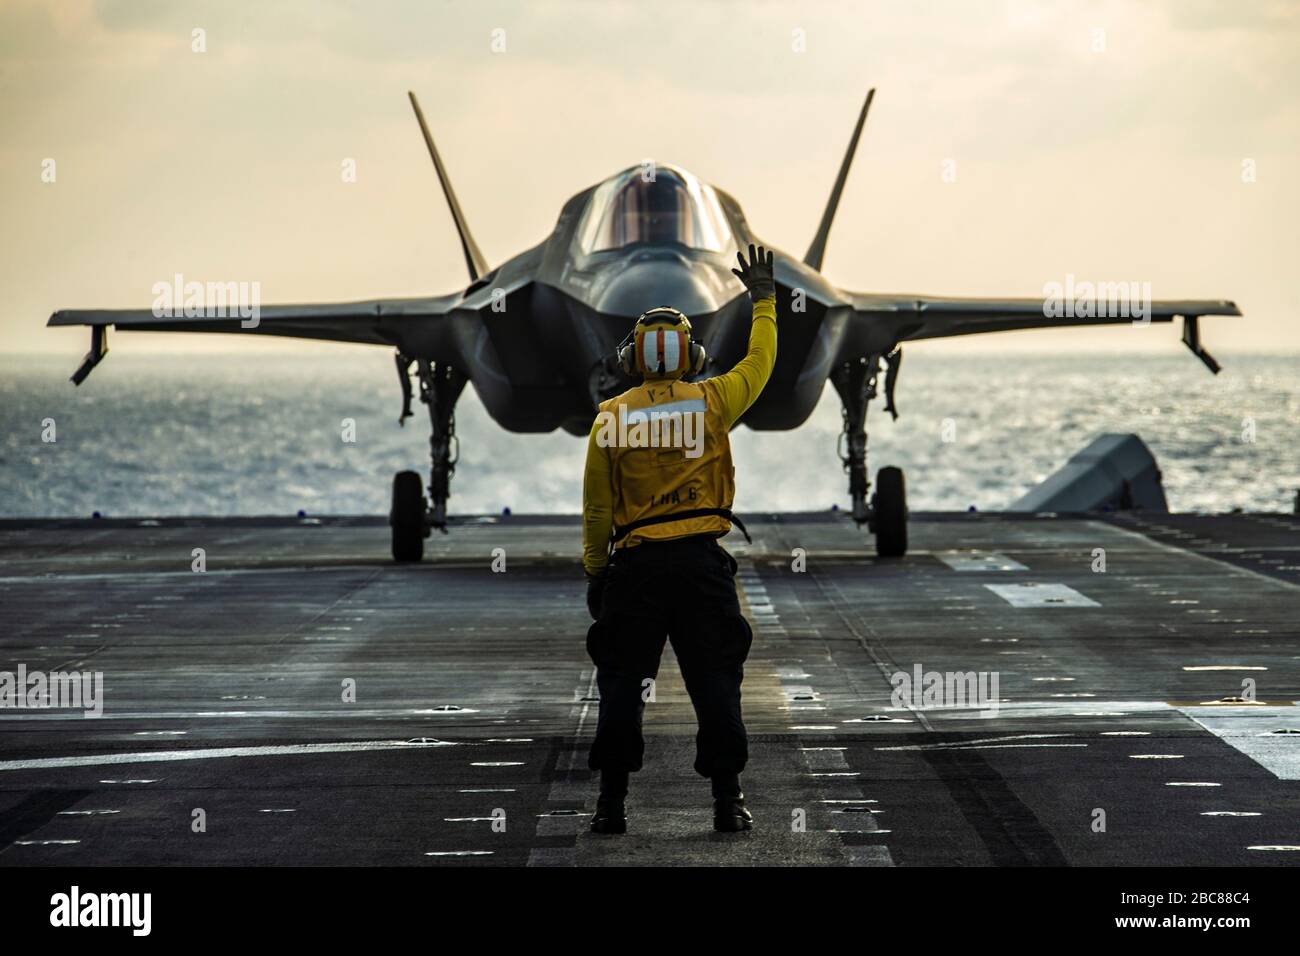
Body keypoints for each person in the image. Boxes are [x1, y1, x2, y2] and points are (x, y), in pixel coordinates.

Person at [581, 243, 777, 834]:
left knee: (621, 689)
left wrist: (597, 571)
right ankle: (728, 804)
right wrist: (764, 302)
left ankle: (611, 807)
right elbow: (760, 362)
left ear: (631, 359)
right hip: (699, 568)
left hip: (635, 571)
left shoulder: (610, 416)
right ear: (690, 356)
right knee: (715, 683)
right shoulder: (714, 401)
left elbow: (597, 508)